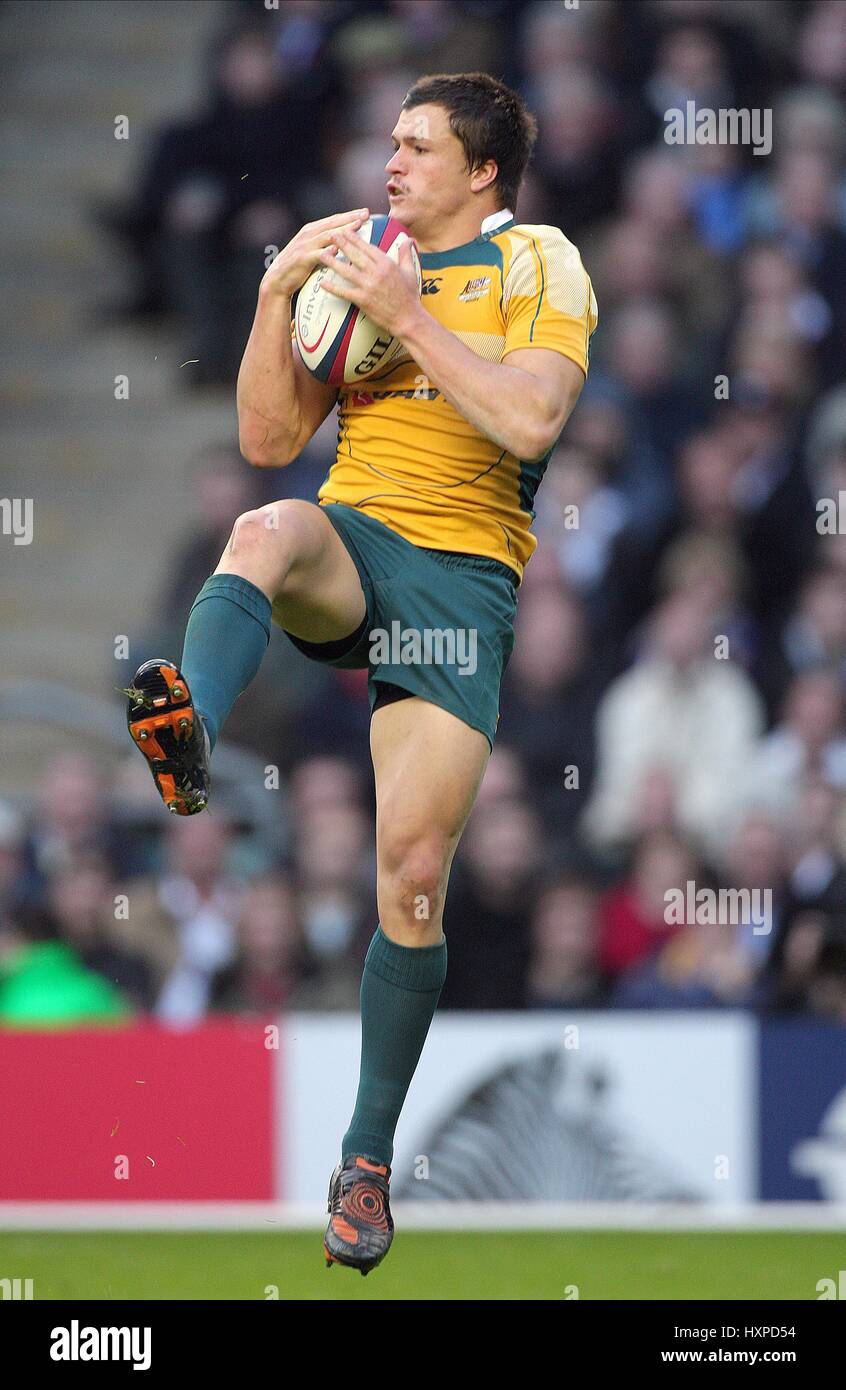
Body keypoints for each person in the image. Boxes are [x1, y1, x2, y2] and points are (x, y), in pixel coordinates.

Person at [122, 72, 596, 1274]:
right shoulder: (356, 260)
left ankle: (366, 1166)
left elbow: (532, 422)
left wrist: (410, 310)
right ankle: (193, 747)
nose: (389, 164)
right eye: (387, 142)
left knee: (414, 875)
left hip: (464, 587)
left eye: (416, 146)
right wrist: (280, 293)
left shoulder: (540, 263)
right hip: (358, 539)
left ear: (480, 171)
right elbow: (270, 442)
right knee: (264, 528)